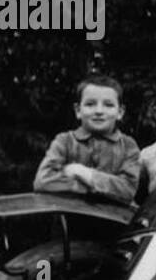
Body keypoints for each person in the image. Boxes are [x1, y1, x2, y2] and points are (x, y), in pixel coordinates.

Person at [33, 74, 141, 203]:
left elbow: (127, 191)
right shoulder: (65, 141)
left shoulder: (128, 145)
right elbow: (43, 181)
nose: (99, 111)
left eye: (108, 105)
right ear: (78, 110)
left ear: (120, 112)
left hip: (116, 221)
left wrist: (82, 172)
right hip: (72, 218)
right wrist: (93, 189)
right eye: (90, 104)